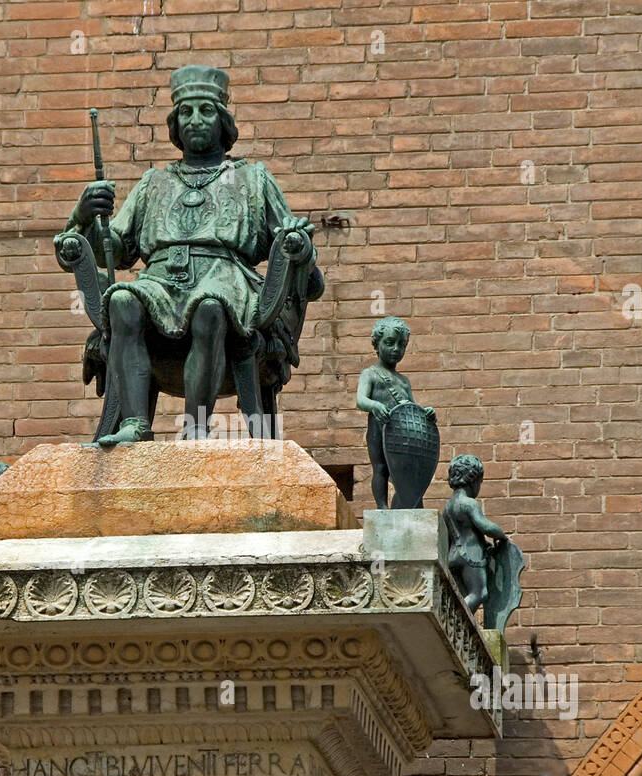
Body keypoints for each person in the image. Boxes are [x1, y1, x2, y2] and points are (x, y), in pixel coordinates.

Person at [66, 64, 316, 445]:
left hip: (225, 278)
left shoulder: (252, 178)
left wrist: (299, 244)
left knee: (210, 306)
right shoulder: (154, 182)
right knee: (120, 299)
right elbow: (115, 249)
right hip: (161, 281)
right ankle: (134, 424)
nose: (195, 120)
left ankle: (196, 427)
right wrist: (83, 218)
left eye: (206, 110)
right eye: (186, 112)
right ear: (175, 124)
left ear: (224, 121)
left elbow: (290, 240)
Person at [356, 316, 434, 509]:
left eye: (401, 345)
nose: (396, 349)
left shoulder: (404, 381)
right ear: (377, 343)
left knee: (404, 473)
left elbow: (412, 409)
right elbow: (360, 400)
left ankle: (405, 504)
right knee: (380, 468)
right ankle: (382, 507)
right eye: (390, 343)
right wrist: (374, 406)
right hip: (378, 427)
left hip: (400, 433)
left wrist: (426, 414)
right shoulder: (370, 374)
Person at [444, 454, 507, 614]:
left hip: (454, 555)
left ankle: (454, 620)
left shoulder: (448, 506)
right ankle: (454, 619)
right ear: (472, 480)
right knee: (479, 593)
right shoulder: (469, 504)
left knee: (462, 595)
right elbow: (485, 526)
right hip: (471, 556)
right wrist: (501, 535)